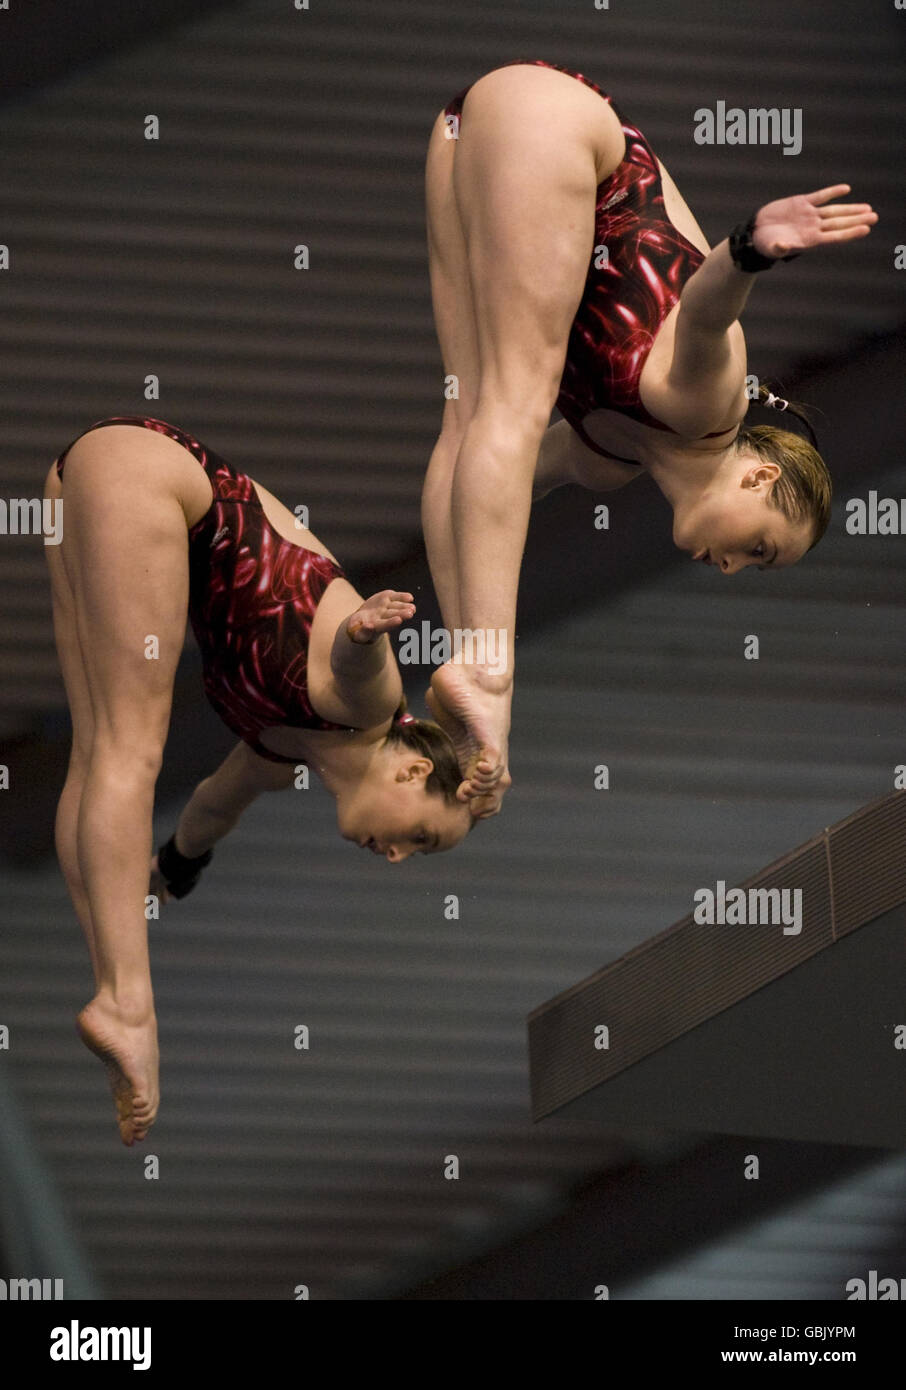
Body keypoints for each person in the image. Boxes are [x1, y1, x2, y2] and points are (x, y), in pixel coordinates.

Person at [421, 58, 878, 818]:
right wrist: (752, 249)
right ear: (758, 479)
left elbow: (471, 470)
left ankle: (479, 670)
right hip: (559, 122)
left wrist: (469, 650)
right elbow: (705, 310)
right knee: (510, 402)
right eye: (758, 550)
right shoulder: (709, 402)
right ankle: (492, 675)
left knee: (469, 426)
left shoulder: (607, 462)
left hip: (464, 130)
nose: (731, 569)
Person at [45, 415, 472, 1145]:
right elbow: (349, 662)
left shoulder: (281, 754)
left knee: (96, 758)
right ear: (415, 767)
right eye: (422, 838)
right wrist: (364, 630)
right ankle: (128, 1004)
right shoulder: (370, 706)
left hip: (82, 482)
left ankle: (112, 991)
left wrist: (174, 865)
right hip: (157, 477)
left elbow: (214, 805)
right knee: (127, 752)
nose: (398, 857)